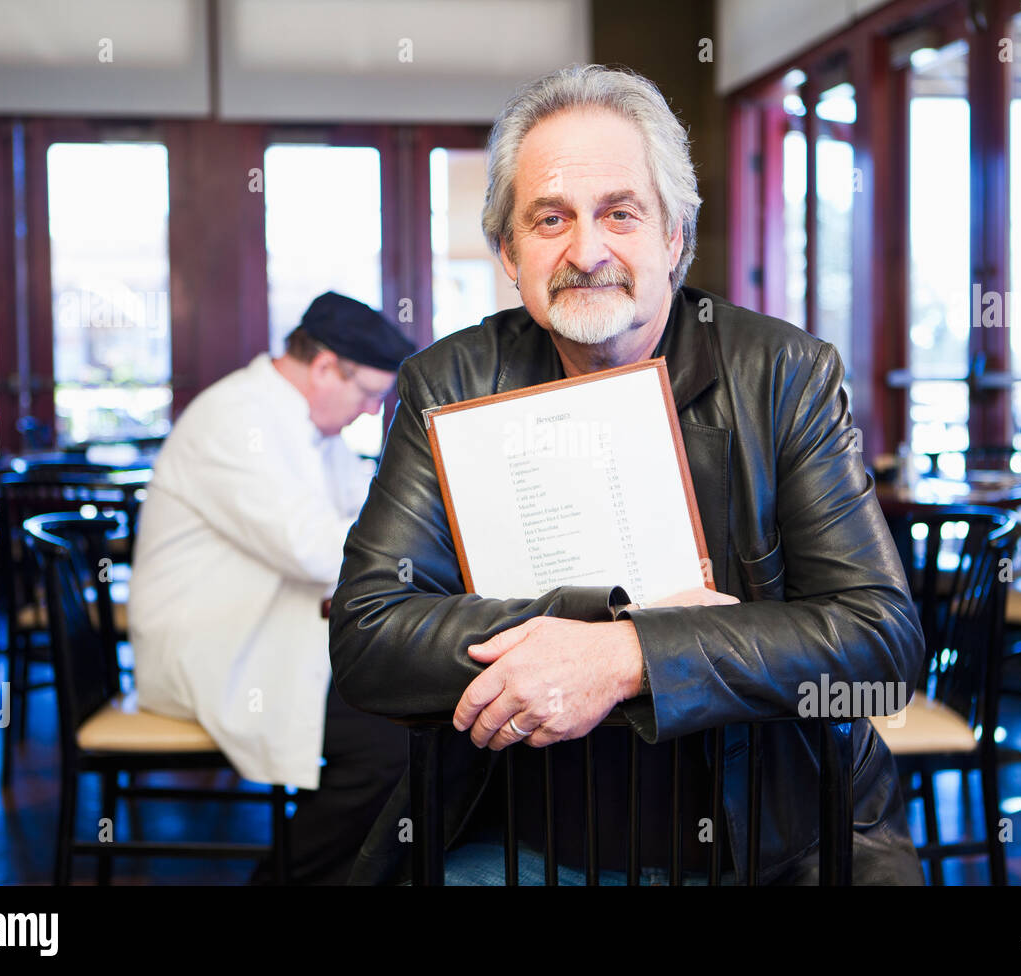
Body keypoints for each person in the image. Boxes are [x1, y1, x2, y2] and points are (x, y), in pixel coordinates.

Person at [329, 64, 927, 884]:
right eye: (550, 219)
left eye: (620, 212)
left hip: (765, 834)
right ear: (508, 251)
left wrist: (630, 657)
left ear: (673, 237)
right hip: (522, 829)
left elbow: (879, 645)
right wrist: (593, 626)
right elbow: (367, 635)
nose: (587, 250)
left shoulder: (783, 372)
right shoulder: (451, 381)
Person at [130, 291, 414, 883]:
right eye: (366, 394)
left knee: (412, 714)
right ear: (324, 366)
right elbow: (314, 549)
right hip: (213, 646)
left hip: (269, 633)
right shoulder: (236, 418)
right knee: (389, 743)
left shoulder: (311, 429)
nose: (369, 412)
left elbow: (362, 521)